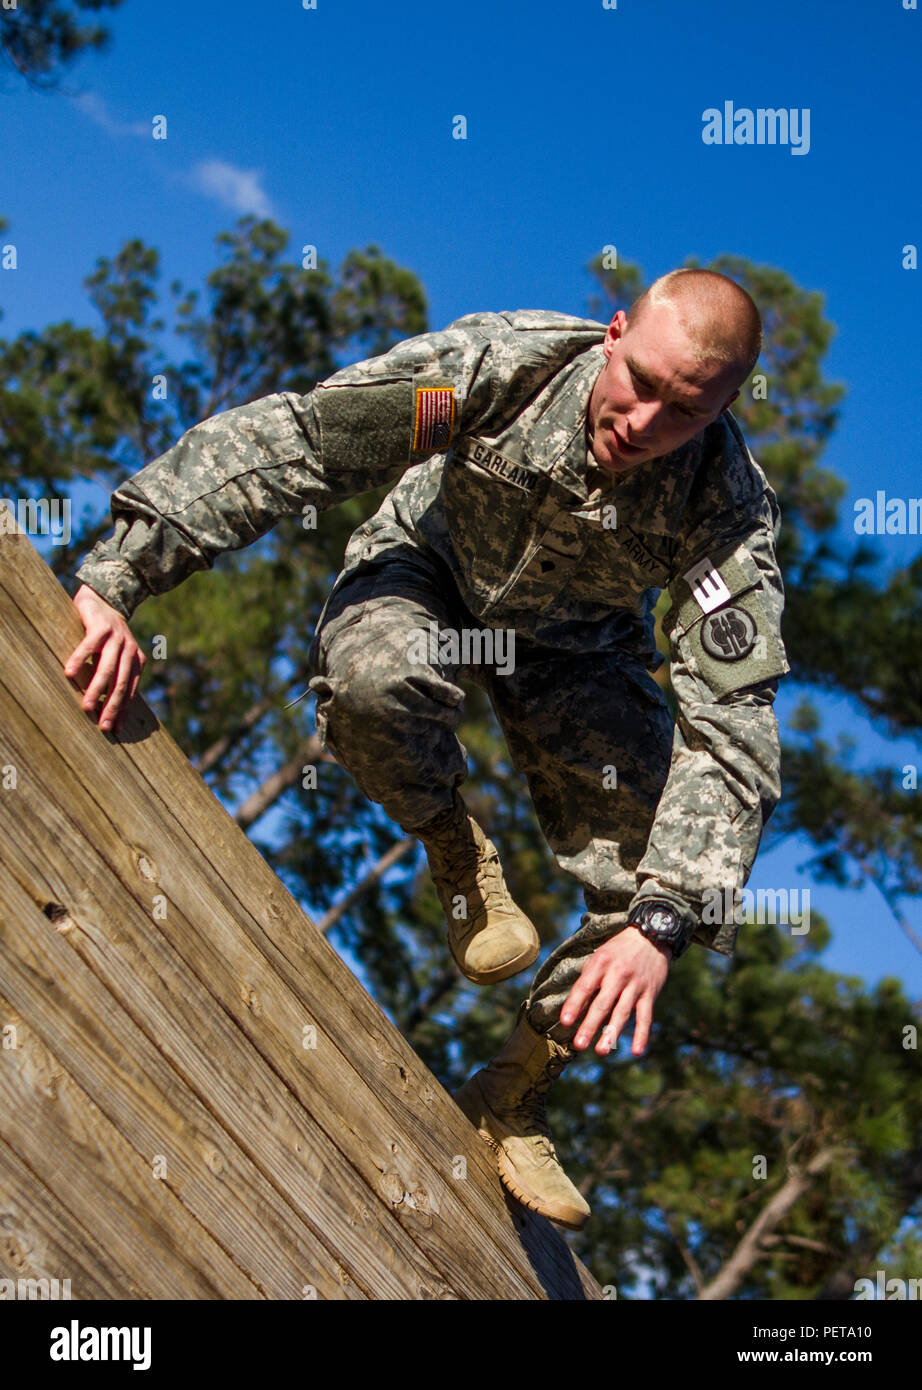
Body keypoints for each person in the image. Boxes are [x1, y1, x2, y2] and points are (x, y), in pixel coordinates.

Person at [65, 268, 789, 1231]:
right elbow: (304, 440)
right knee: (376, 683)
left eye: (684, 409)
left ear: (728, 406)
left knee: (669, 880)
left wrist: (663, 920)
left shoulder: (727, 512)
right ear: (615, 333)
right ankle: (455, 848)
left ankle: (516, 1090)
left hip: (575, 649)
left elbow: (734, 726)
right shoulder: (499, 368)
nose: (644, 420)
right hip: (428, 574)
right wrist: (121, 573)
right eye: (641, 381)